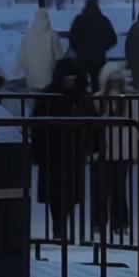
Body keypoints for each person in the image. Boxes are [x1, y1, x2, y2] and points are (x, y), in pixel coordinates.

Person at [31, 55, 96, 241]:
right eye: (67, 78)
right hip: (53, 151)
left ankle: (61, 226)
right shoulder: (50, 96)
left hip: (73, 151)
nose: (70, 82)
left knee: (69, 193)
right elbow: (37, 125)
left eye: (72, 79)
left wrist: (91, 143)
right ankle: (59, 227)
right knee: (56, 193)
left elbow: (94, 122)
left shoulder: (81, 97)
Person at [91, 67, 138, 236]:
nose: (116, 85)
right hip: (102, 149)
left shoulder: (129, 99)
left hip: (122, 150)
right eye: (113, 81)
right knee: (100, 188)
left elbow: (135, 125)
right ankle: (99, 222)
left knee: (119, 188)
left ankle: (121, 223)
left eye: (119, 81)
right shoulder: (98, 99)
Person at [67, 0, 117, 81]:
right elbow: (113, 39)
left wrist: (78, 49)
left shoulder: (79, 20)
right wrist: (103, 48)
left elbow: (72, 37)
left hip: (82, 58)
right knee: (96, 83)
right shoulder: (103, 20)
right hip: (98, 58)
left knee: (81, 83)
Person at [17, 8, 61, 91]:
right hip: (48, 78)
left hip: (31, 77)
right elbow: (59, 56)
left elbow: (21, 54)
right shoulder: (52, 34)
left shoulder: (27, 34)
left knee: (34, 97)